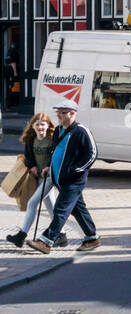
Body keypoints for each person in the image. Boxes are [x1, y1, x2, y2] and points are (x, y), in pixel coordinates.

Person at [26, 101, 100, 254]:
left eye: (62, 112)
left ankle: (46, 241)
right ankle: (92, 237)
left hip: (74, 180)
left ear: (72, 113)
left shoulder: (81, 131)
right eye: (58, 112)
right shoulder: (59, 129)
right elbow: (55, 151)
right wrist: (49, 166)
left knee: (61, 209)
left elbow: (92, 154)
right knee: (78, 209)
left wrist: (76, 170)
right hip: (60, 179)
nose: (58, 115)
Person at [5, 113, 65, 249]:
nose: (40, 127)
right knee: (51, 206)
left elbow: (57, 156)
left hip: (50, 177)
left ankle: (21, 236)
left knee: (32, 203)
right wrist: (32, 166)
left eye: (43, 124)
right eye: (37, 124)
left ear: (48, 125)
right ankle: (62, 235)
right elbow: (28, 157)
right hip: (38, 177)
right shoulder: (31, 140)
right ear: (32, 126)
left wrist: (49, 166)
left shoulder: (52, 140)